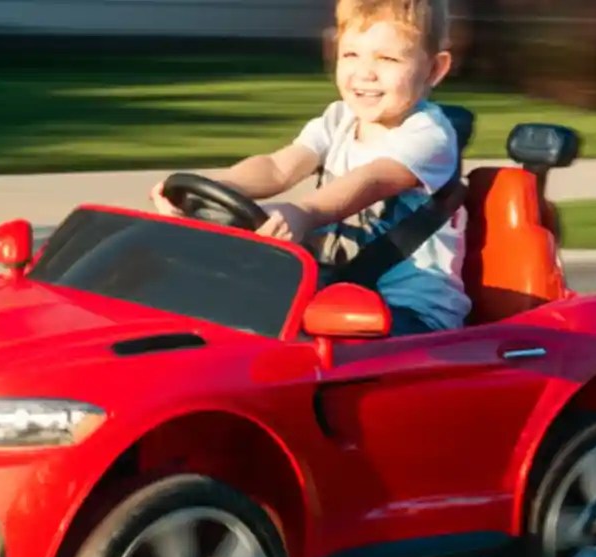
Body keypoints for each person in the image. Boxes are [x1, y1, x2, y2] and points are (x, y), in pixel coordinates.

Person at [150, 0, 471, 336]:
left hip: (410, 318)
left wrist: (303, 213)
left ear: (434, 69)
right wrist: (212, 188)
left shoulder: (429, 135)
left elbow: (371, 180)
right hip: (334, 297)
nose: (364, 73)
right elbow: (278, 168)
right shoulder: (339, 119)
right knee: (213, 300)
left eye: (388, 58)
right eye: (351, 55)